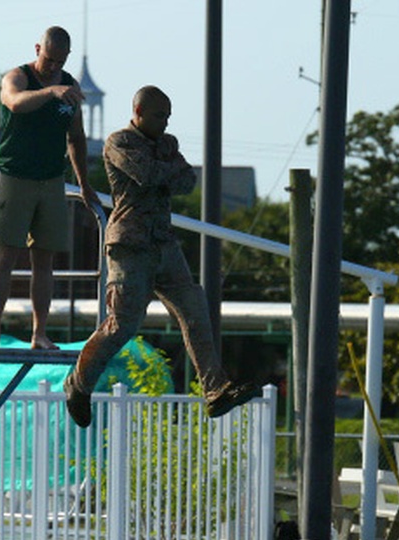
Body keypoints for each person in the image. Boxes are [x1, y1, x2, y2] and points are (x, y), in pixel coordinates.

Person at [63, 86, 258, 428]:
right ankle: (79, 384)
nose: (165, 123)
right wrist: (165, 170)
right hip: (129, 246)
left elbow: (187, 180)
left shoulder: (167, 145)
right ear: (137, 111)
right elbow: (147, 174)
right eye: (158, 116)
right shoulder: (118, 142)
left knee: (195, 310)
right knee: (122, 326)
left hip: (164, 245)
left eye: (168, 116)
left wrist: (163, 169)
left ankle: (214, 391)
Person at [0, 25, 100, 351]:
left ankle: (40, 333)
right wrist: (50, 91)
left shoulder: (70, 86)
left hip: (52, 181)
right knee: (5, 256)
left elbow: (75, 138)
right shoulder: (17, 77)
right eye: (48, 60)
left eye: (59, 62)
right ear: (37, 49)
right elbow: (15, 103)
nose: (52, 68)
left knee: (44, 261)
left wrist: (85, 185)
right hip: (16, 177)